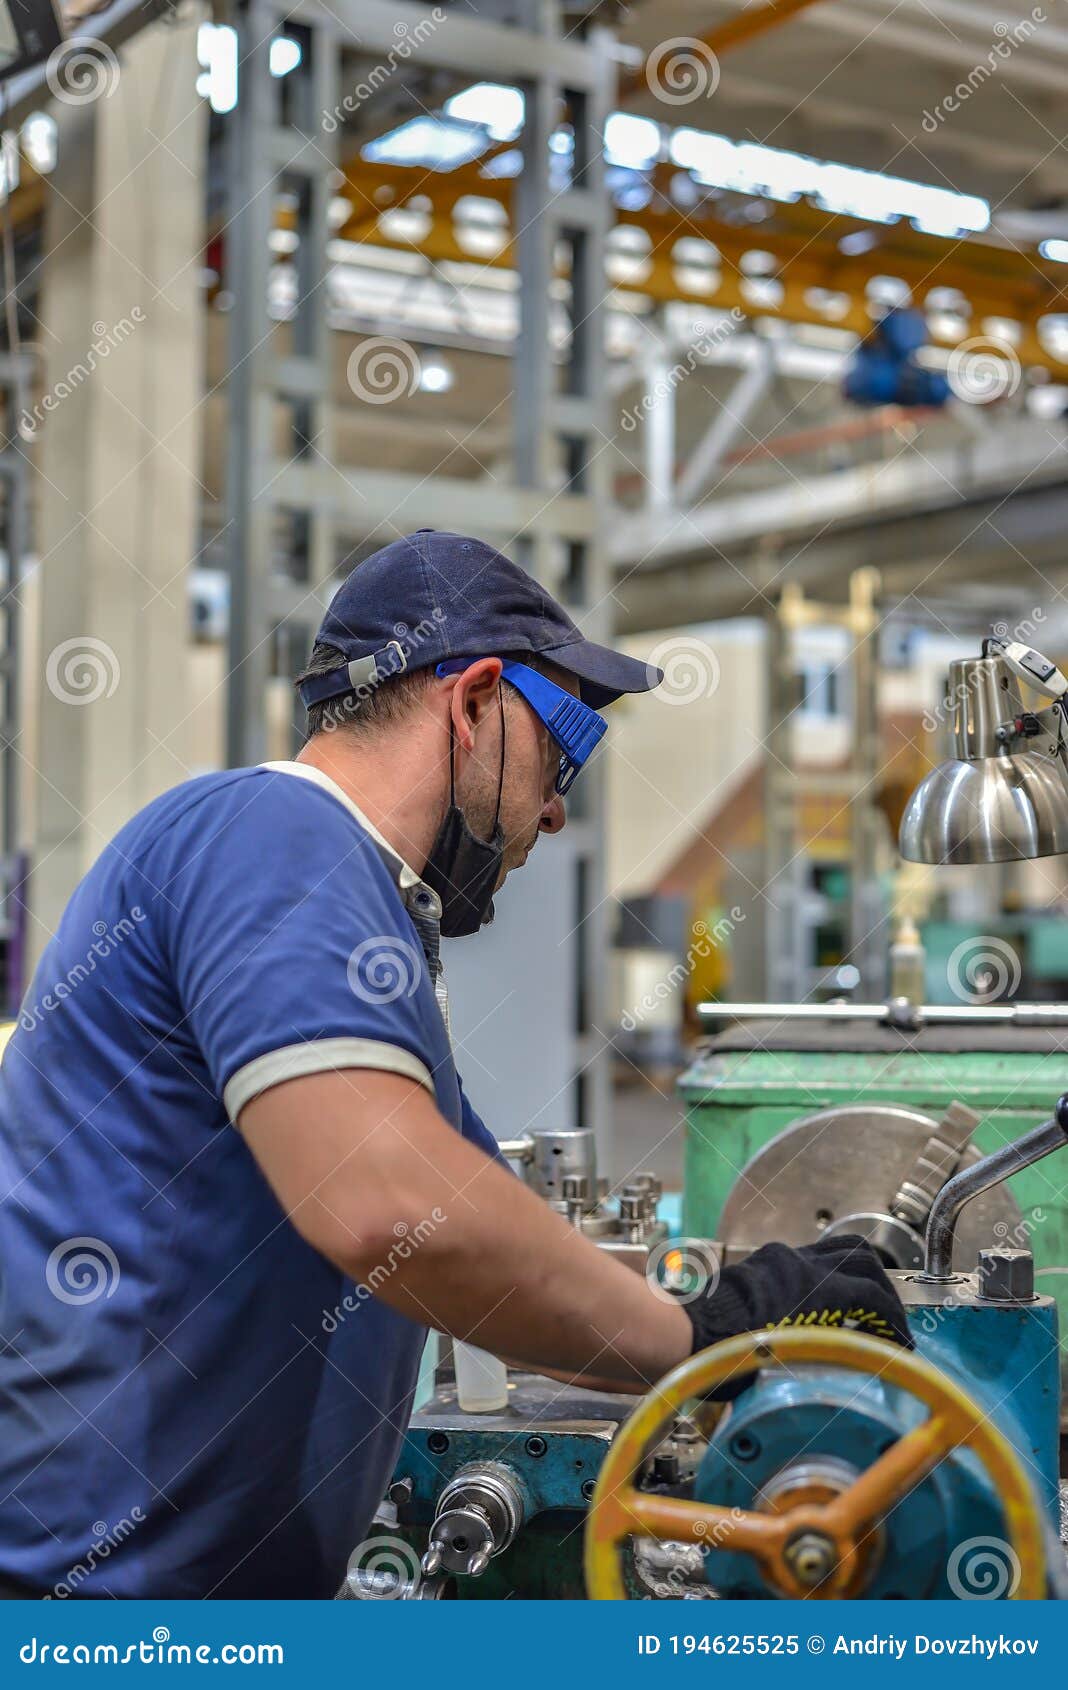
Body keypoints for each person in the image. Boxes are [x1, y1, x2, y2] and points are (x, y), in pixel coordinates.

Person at [0, 530, 909, 1598]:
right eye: (565, 749)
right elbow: (389, 1208)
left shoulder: (364, 929)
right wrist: (697, 1336)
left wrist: (737, 1311)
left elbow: (491, 1271)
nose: (557, 809)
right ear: (475, 700)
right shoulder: (273, 832)